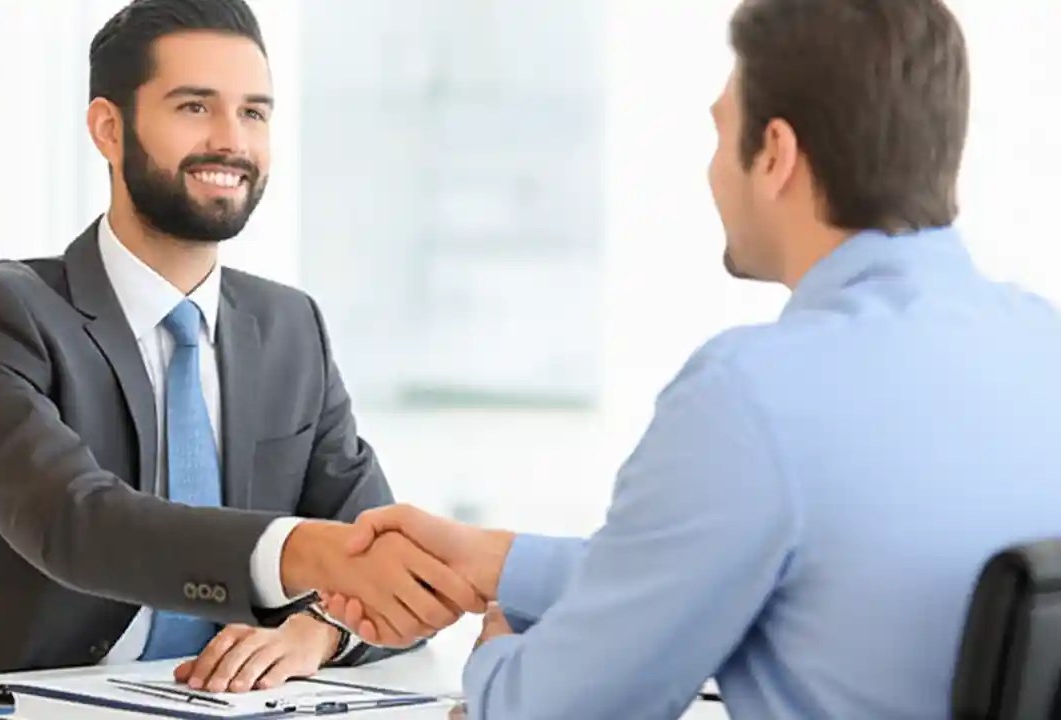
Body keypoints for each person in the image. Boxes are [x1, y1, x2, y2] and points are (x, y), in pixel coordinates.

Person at [327, 0, 1061, 717]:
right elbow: (703, 562)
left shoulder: (753, 396)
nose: (713, 172)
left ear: (775, 154)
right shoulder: (1039, 342)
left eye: (721, 132)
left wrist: (497, 651)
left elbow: (559, 706)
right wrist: (494, 559)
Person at [0, 0, 481, 690]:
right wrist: (304, 554)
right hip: (21, 705)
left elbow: (374, 554)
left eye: (254, 113)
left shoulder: (289, 327)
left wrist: (316, 632)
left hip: (228, 706)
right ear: (109, 129)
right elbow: (77, 523)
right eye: (194, 108)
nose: (231, 141)